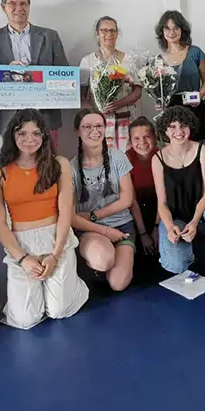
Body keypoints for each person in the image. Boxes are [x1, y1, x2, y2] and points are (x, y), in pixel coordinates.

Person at [0, 109, 89, 329]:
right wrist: (23, 259)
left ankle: (75, 284)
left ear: (44, 136)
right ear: (12, 136)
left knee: (59, 310)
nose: (29, 139)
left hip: (56, 239)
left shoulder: (58, 164)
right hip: (22, 245)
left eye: (35, 133)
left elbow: (65, 214)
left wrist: (55, 254)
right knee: (26, 319)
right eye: (22, 133)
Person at [0, 0, 70, 148]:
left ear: (29, 6)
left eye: (23, 4)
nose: (19, 8)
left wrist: (37, 75)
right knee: (14, 165)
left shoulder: (50, 36)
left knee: (49, 166)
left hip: (46, 115)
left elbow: (64, 75)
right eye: (12, 4)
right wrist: (7, 73)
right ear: (3, 7)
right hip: (10, 118)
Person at [152, 106, 205, 279]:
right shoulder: (158, 159)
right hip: (176, 220)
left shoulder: (204, 150)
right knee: (176, 265)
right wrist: (169, 227)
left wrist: (195, 222)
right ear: (165, 130)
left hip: (202, 215)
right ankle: (189, 253)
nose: (179, 131)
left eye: (183, 126)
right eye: (172, 127)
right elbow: (162, 202)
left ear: (190, 127)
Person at [70, 109, 136, 292]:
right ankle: (92, 263)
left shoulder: (118, 157)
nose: (94, 131)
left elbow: (127, 199)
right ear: (78, 131)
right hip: (91, 230)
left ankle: (119, 258)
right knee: (104, 259)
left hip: (122, 226)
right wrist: (104, 230)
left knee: (118, 283)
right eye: (87, 127)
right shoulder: (71, 168)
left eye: (99, 126)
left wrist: (93, 215)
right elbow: (71, 217)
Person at [79, 16, 143, 151]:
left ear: (117, 33)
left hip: (125, 119)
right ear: (97, 34)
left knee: (126, 159)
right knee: (100, 160)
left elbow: (137, 90)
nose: (109, 34)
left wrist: (119, 103)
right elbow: (81, 95)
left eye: (113, 31)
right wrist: (95, 113)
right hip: (98, 123)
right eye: (104, 30)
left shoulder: (127, 59)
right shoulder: (88, 61)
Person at [156, 10, 205, 141]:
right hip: (171, 111)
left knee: (199, 149)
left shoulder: (195, 52)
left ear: (183, 30)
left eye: (176, 27)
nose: (172, 32)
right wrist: (159, 102)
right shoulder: (158, 59)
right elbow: (158, 90)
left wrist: (200, 96)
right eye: (167, 28)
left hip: (194, 106)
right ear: (162, 32)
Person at [126, 117, 160, 257]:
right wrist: (143, 233)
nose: (142, 143)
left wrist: (157, 228)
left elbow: (164, 198)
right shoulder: (127, 159)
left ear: (155, 138)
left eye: (147, 137)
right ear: (130, 142)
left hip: (159, 210)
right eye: (137, 139)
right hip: (136, 211)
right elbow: (132, 201)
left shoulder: (161, 155)